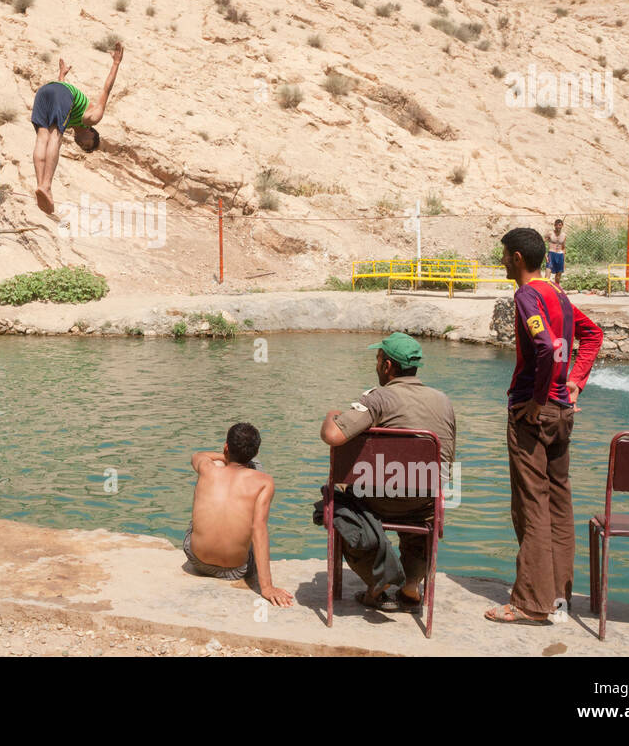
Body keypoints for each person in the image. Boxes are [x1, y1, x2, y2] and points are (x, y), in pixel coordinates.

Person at [486, 228, 603, 625]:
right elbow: (591, 335)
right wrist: (574, 382)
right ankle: (558, 596)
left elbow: (547, 347)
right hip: (563, 414)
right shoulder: (560, 294)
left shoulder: (527, 295)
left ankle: (530, 604)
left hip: (531, 414)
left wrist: (538, 399)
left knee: (532, 504)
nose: (501, 261)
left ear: (517, 258)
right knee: (559, 502)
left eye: (504, 255)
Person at [317, 333, 456, 611]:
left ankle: (378, 577)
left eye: (378, 359)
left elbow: (333, 436)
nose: (376, 364)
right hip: (427, 502)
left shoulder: (378, 398)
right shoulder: (443, 401)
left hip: (379, 501)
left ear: (388, 366)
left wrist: (331, 414)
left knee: (333, 506)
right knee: (419, 509)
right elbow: (449, 458)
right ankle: (410, 586)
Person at [184, 422, 294, 608]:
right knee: (255, 475)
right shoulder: (265, 482)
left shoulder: (207, 469)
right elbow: (259, 531)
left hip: (198, 560)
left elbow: (197, 456)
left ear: (226, 447)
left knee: (217, 466)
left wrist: (225, 457)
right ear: (255, 452)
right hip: (236, 569)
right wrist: (266, 587)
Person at [30, 42, 124, 214]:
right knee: (55, 137)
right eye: (87, 144)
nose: (82, 145)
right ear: (91, 133)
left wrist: (61, 75)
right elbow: (106, 90)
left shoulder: (71, 120)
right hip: (60, 92)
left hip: (45, 91)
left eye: (84, 148)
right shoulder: (92, 119)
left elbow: (60, 94)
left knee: (42, 137)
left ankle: (40, 187)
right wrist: (116, 63)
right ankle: (47, 186)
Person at [546, 219, 567, 285]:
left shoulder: (564, 235)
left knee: (558, 277)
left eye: (560, 225)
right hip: (551, 254)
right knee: (547, 276)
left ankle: (556, 291)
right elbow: (541, 243)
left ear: (562, 226)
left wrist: (563, 260)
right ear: (554, 225)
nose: (558, 226)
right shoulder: (550, 233)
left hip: (560, 255)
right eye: (557, 225)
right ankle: (545, 291)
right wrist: (545, 255)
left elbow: (563, 247)